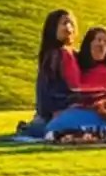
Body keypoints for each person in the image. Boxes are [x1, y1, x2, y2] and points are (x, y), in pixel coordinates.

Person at [16, 9, 82, 137]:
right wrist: (56, 109)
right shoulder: (53, 56)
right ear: (53, 28)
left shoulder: (75, 55)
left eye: (71, 23)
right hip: (55, 113)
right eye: (64, 23)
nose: (68, 27)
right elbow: (46, 90)